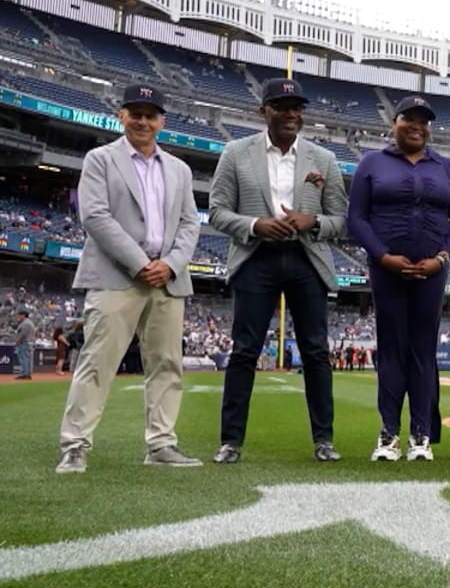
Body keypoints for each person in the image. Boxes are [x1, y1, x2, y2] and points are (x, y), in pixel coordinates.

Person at [56, 83, 203, 473]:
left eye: (150, 114)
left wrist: (170, 264)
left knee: (167, 364)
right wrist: (141, 263)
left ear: (162, 122)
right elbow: (95, 216)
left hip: (168, 280)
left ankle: (161, 443)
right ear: (121, 116)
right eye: (134, 113)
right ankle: (75, 444)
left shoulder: (180, 169)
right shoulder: (100, 159)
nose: (142, 121)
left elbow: (190, 224)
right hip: (117, 275)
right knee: (97, 361)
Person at [207, 78, 349, 464]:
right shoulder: (236, 152)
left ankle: (324, 439)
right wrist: (256, 225)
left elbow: (342, 220)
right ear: (263, 111)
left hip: (307, 259)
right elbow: (217, 211)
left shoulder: (324, 159)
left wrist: (312, 221)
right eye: (282, 106)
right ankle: (230, 441)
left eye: (297, 107)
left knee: (316, 352)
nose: (291, 113)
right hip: (257, 258)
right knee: (244, 351)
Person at [347, 94, 450, 462]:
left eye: (423, 121)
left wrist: (442, 257)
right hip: (387, 271)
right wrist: (383, 257)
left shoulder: (446, 168)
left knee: (423, 352)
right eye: (408, 119)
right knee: (392, 351)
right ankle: (388, 434)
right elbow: (357, 218)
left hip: (432, 271)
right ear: (393, 123)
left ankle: (420, 434)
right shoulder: (371, 163)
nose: (417, 126)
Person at [12, 308, 33, 379]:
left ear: (23, 315)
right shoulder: (28, 322)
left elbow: (23, 334)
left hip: (24, 342)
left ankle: (24, 373)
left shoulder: (26, 323)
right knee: (26, 358)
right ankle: (27, 373)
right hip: (27, 342)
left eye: (19, 316)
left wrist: (18, 340)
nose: (18, 317)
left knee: (23, 358)